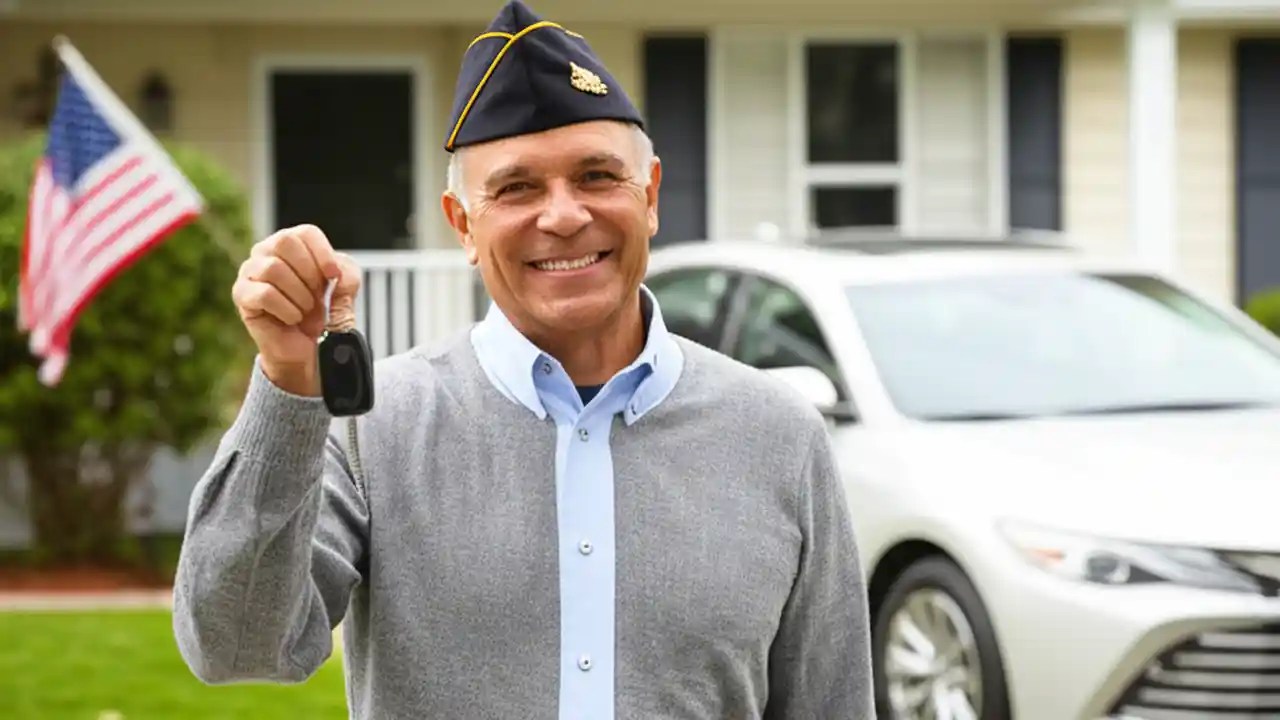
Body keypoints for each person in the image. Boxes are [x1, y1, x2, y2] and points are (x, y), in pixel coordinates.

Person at [171, 1, 875, 717]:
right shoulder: (371, 427)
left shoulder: (779, 436)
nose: (564, 215)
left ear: (652, 196)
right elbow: (237, 648)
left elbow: (832, 703)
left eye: (598, 176)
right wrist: (288, 387)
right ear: (463, 225)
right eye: (517, 188)